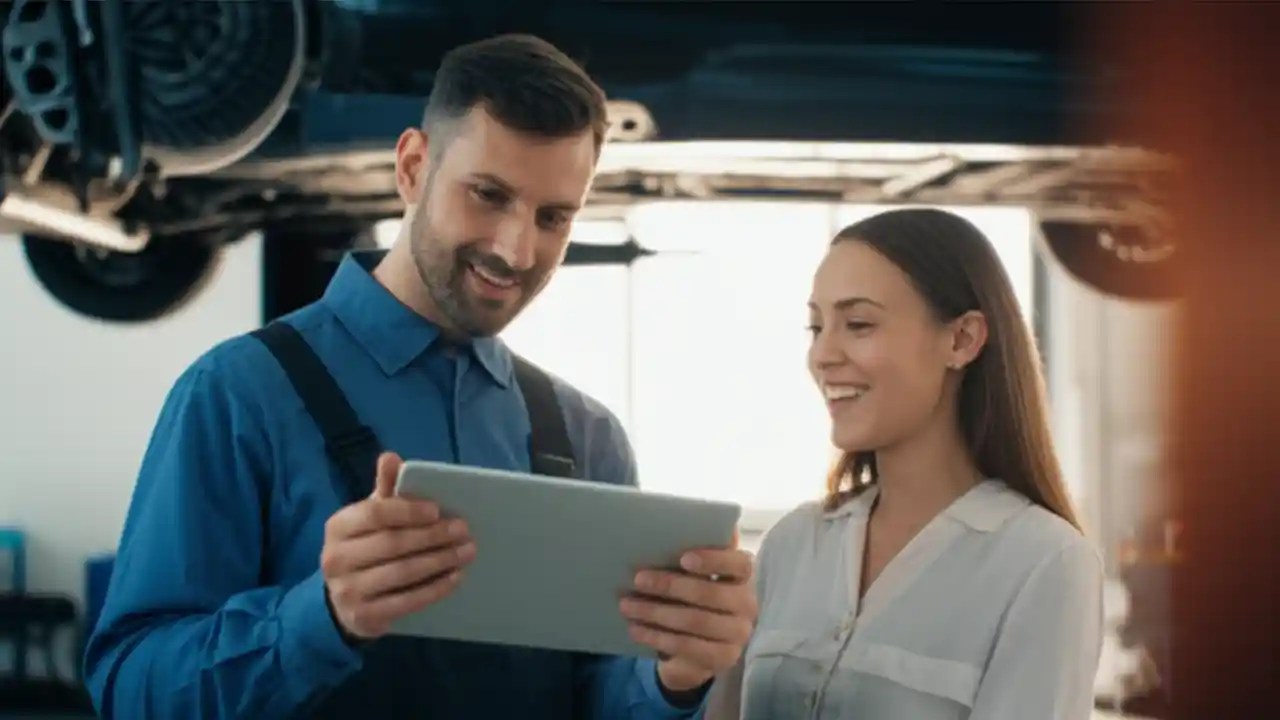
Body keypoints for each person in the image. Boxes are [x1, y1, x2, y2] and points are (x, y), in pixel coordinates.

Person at [83, 33, 757, 719]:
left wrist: (676, 678)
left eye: (553, 217)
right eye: (488, 195)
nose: (516, 249)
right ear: (411, 167)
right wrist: (319, 618)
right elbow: (131, 687)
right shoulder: (237, 396)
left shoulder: (589, 439)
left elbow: (601, 700)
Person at [704, 207, 1104, 719]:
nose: (823, 355)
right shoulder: (790, 544)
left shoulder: (1045, 564)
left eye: (859, 324)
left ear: (961, 339)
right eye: (816, 326)